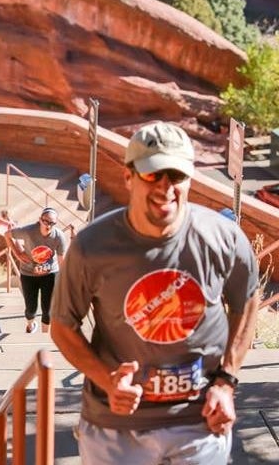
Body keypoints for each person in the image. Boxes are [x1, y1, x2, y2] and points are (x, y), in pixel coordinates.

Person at [50, 122, 260, 464]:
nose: (165, 187)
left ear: (190, 180)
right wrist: (107, 380)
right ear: (128, 177)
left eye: (176, 176)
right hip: (115, 427)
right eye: (152, 174)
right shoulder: (92, 247)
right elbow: (62, 326)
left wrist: (226, 382)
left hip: (200, 422)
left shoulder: (225, 239)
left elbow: (246, 301)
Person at [5, 207, 66, 332]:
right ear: (40, 220)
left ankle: (44, 334)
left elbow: (61, 262)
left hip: (50, 274)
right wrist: (18, 253)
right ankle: (30, 325)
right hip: (29, 274)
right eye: (46, 221)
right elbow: (7, 234)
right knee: (31, 308)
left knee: (47, 310)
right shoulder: (29, 231)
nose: (48, 225)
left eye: (52, 223)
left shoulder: (58, 237)